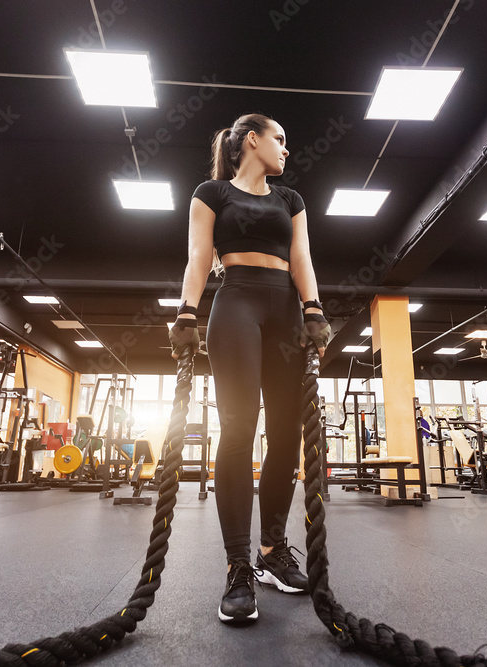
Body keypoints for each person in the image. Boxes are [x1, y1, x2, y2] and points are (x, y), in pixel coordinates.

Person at [168, 113, 330, 625]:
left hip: (285, 310)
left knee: (286, 435)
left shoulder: (292, 201)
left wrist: (314, 310)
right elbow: (198, 258)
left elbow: (302, 256)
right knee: (239, 429)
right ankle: (238, 567)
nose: (286, 150)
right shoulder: (211, 192)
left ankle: (272, 551)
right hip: (235, 304)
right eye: (279, 139)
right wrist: (186, 313)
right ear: (252, 141)